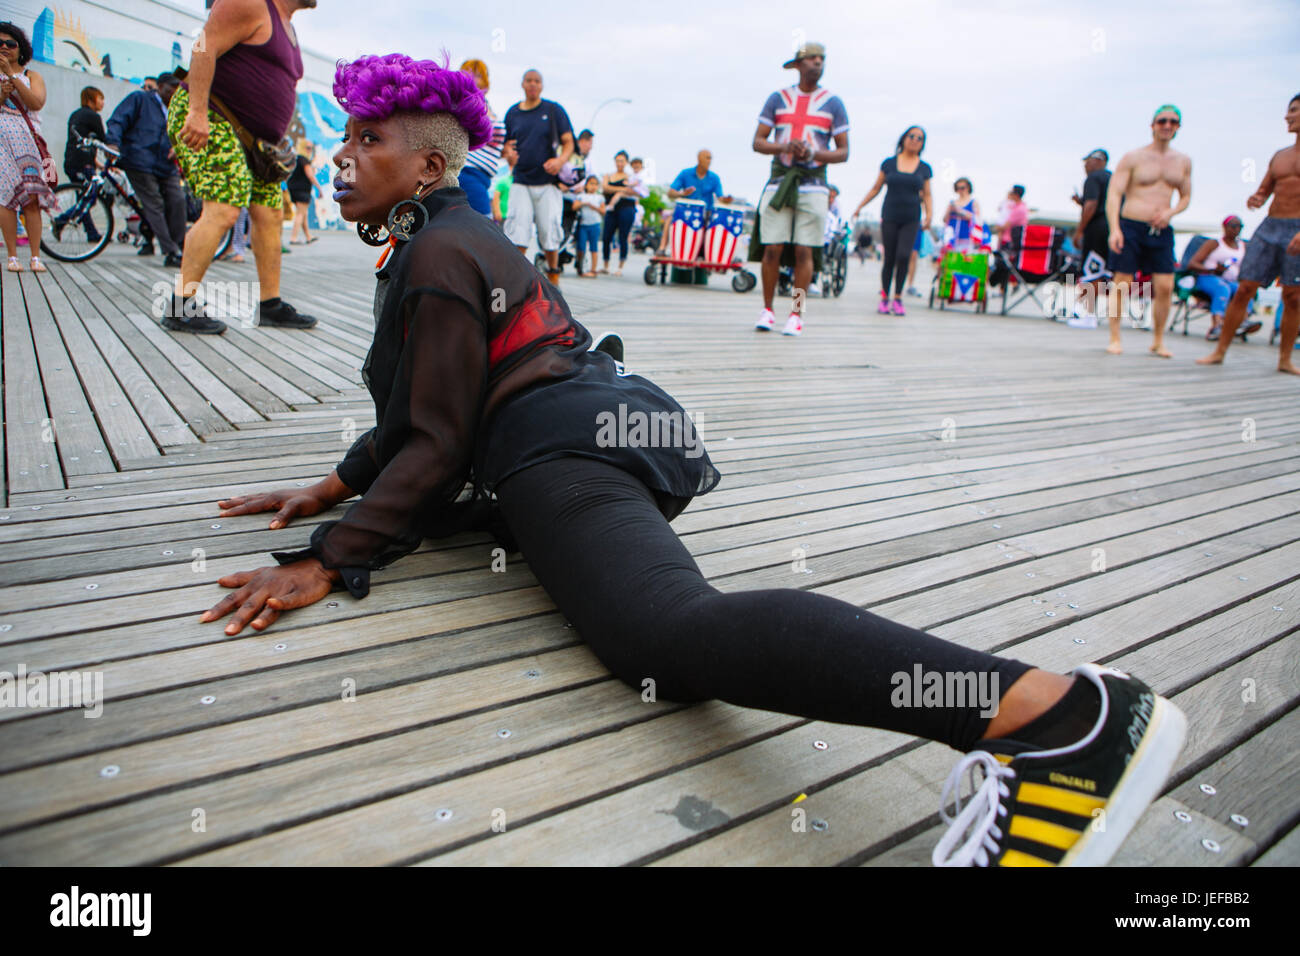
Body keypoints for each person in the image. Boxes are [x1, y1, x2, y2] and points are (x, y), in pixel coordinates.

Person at [202, 52, 1190, 870]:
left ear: (424, 166)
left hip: (561, 437)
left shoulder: (436, 251)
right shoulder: (445, 237)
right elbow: (426, 407)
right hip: (601, 419)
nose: (339, 157)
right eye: (346, 138)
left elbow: (440, 437)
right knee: (653, 622)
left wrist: (330, 553)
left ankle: (1056, 717)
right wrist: (335, 484)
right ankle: (1052, 712)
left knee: (666, 636)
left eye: (366, 141)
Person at [167, 0, 318, 335]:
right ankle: (179, 305)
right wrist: (197, 112)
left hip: (258, 143)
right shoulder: (249, 2)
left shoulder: (287, 26)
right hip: (215, 117)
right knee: (223, 208)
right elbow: (203, 44)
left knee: (269, 214)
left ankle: (270, 305)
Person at [751, 41, 850, 336]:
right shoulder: (778, 99)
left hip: (815, 183)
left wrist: (814, 154)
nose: (817, 63)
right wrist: (784, 146)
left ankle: (796, 312)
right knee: (772, 248)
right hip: (781, 180)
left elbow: (844, 152)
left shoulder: (833, 103)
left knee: (806, 251)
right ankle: (767, 309)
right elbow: (758, 141)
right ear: (797, 65)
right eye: (811, 59)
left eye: (822, 59)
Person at [1198, 94, 1300, 374]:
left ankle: (1285, 359)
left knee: (1293, 296)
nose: (1287, 116)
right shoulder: (1280, 156)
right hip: (1270, 226)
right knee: (1244, 288)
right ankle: (1219, 351)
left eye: (1293, 111)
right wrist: (1256, 198)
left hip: (1298, 229)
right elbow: (1264, 191)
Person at [1104, 105, 1193, 357]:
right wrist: (1115, 228)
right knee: (1122, 282)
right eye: (1162, 120)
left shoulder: (1183, 161)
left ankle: (1158, 339)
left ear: (1178, 127)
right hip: (1131, 225)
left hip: (1161, 229)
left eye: (1173, 122)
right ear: (1153, 125)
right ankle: (1114, 337)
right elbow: (1114, 193)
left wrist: (1171, 212)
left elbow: (1186, 196)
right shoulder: (1134, 157)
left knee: (1165, 285)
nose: (1167, 125)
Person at [106, 72, 188, 268]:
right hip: (139, 161)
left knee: (178, 200)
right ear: (159, 87)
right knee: (155, 204)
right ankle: (171, 251)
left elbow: (185, 134)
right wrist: (113, 143)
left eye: (176, 92)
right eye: (170, 90)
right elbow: (117, 121)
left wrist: (179, 148)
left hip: (165, 164)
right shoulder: (140, 99)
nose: (172, 95)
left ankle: (178, 245)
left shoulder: (178, 109)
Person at [503, 69, 574, 285]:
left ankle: (554, 274)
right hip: (521, 179)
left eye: (537, 81)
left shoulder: (553, 110)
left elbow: (569, 141)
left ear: (541, 85)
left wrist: (560, 161)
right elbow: (506, 145)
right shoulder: (513, 113)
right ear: (523, 84)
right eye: (529, 81)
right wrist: (508, 155)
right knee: (518, 229)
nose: (533, 85)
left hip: (548, 181)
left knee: (549, 230)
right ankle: (518, 278)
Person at [853, 125, 931, 316]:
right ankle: (884, 297)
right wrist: (859, 206)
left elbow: (927, 194)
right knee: (889, 258)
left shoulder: (924, 168)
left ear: (922, 144)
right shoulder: (889, 163)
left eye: (919, 138)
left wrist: (929, 215)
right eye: (911, 136)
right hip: (890, 215)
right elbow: (875, 188)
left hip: (912, 217)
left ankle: (898, 297)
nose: (914, 140)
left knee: (904, 256)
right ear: (903, 138)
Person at [0, 21, 56, 274]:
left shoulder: (32, 75)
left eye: (10, 43)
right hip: (1, 142)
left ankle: (35, 256)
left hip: (28, 142)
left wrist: (12, 76)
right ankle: (12, 256)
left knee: (32, 199)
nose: (4, 47)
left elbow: (35, 103)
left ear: (19, 47)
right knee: (5, 198)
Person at [1187, 216, 1259, 340]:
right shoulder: (1214, 244)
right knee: (1222, 288)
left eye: (1239, 226)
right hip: (1208, 278)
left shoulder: (1243, 246)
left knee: (1244, 290)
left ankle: (1243, 320)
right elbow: (1192, 263)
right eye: (1233, 226)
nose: (1236, 229)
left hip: (1232, 281)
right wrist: (1212, 269)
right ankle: (1217, 325)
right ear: (1225, 227)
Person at [1070, 149, 1111, 326]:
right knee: (1103, 272)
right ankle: (1088, 311)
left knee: (1091, 270)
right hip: (1114, 228)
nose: (1085, 166)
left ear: (1098, 161)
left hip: (1097, 229)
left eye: (1088, 162)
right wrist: (1081, 201)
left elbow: (1092, 205)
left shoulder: (1093, 178)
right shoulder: (1114, 178)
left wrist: (1079, 230)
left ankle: (1088, 314)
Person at [458, 58, 504, 217]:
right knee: (484, 228)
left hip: (482, 177)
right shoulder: (464, 104)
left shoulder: (485, 105)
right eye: (468, 74)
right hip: (468, 172)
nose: (473, 78)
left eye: (478, 75)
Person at [63, 85, 107, 245]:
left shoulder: (75, 115)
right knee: (90, 197)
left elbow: (80, 143)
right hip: (83, 165)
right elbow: (104, 141)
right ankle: (61, 220)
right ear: (90, 99)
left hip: (71, 162)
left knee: (84, 196)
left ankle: (92, 233)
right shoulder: (93, 116)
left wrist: (98, 164)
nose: (103, 102)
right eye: (100, 98)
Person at [599, 149, 637, 275]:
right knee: (606, 236)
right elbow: (605, 188)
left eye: (622, 161)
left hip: (626, 208)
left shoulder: (630, 177)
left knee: (623, 236)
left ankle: (620, 266)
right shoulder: (608, 175)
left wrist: (615, 189)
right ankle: (605, 264)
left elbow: (634, 191)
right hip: (611, 208)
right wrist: (622, 189)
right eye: (617, 161)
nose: (619, 163)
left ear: (626, 162)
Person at [285, 139, 318, 244]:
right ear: (302, 148)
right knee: (300, 214)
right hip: (302, 190)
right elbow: (310, 176)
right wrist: (319, 189)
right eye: (307, 148)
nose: (310, 150)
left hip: (293, 188)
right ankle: (293, 238)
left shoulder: (296, 159)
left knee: (304, 213)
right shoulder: (304, 160)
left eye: (311, 148)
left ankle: (308, 236)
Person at [571, 174, 604, 277]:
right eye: (591, 184)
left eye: (595, 184)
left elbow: (603, 211)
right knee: (581, 246)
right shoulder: (581, 196)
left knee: (594, 247)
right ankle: (580, 265)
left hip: (595, 225)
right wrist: (584, 204)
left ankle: (593, 269)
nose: (593, 186)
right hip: (583, 225)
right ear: (586, 185)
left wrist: (594, 207)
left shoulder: (599, 197)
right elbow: (574, 207)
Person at [944, 177, 980, 252]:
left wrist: (959, 211)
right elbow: (944, 219)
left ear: (968, 188)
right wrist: (949, 211)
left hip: (968, 239)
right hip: (953, 239)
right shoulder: (952, 203)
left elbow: (977, 219)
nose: (960, 190)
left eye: (962, 188)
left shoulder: (973, 202)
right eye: (958, 188)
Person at [490, 138, 514, 226]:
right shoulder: (496, 161)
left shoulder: (510, 167)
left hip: (504, 206)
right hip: (491, 197)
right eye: (512, 146)